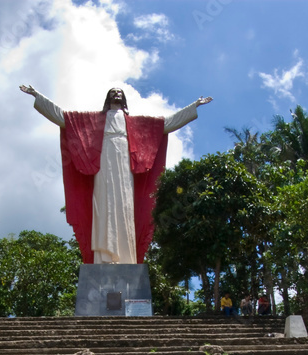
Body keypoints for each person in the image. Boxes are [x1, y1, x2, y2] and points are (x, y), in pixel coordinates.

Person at [21, 84, 211, 264]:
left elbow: (166, 124)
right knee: (104, 203)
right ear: (108, 97)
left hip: (124, 167)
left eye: (120, 92)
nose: (116, 94)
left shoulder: (137, 123)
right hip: (103, 164)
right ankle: (104, 255)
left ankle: (125, 256)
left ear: (124, 98)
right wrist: (38, 96)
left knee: (125, 206)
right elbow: (64, 118)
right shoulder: (93, 120)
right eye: (113, 91)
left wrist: (194, 106)